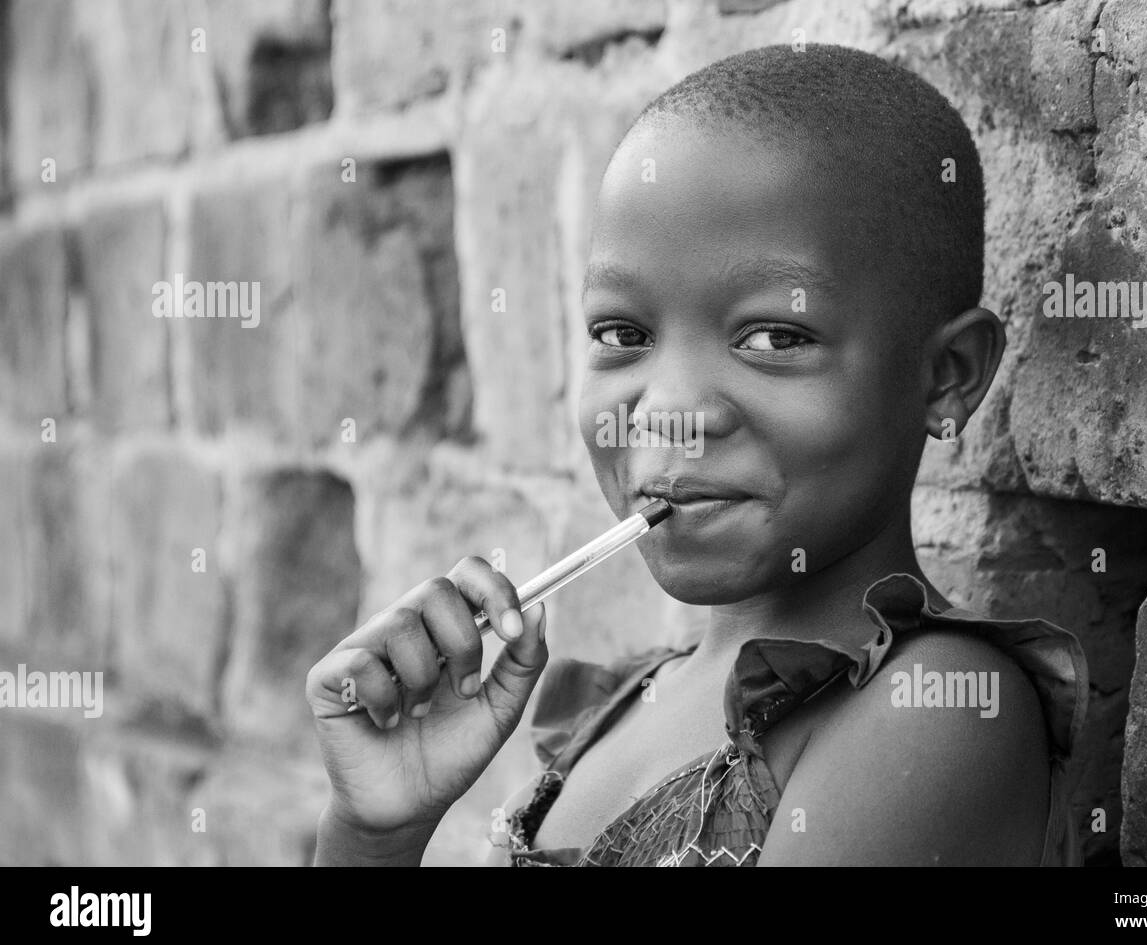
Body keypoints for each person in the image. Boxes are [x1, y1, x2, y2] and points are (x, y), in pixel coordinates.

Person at [307, 42, 1088, 867]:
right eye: (624, 334)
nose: (673, 414)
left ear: (946, 378)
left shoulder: (937, 711)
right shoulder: (623, 709)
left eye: (775, 337)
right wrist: (375, 832)